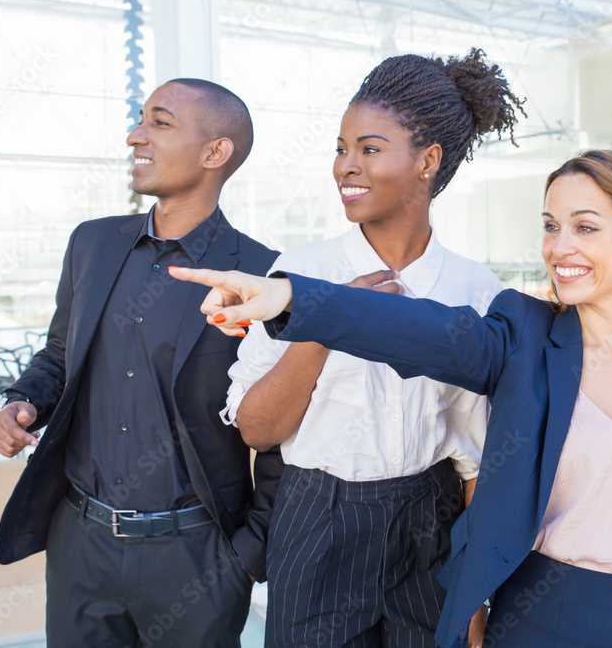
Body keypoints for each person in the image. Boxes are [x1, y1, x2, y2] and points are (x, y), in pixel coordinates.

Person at [170, 150, 612, 647]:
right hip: (545, 618)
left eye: (585, 227)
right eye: (550, 226)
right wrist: (291, 299)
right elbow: (424, 331)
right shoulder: (523, 337)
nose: (560, 248)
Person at [222, 49, 524, 648]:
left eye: (369, 148)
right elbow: (257, 429)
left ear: (428, 161)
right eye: (340, 149)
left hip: (432, 523)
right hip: (319, 520)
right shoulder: (300, 272)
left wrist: (474, 591)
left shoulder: (475, 291)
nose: (346, 167)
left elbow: (478, 457)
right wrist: (330, 318)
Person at [0, 78, 283, 647]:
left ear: (215, 152)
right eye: (141, 118)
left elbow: (276, 429)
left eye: (159, 122)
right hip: (80, 545)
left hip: (198, 559)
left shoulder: (261, 273)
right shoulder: (91, 245)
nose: (134, 135)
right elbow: (59, 355)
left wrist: (247, 556)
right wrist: (21, 402)